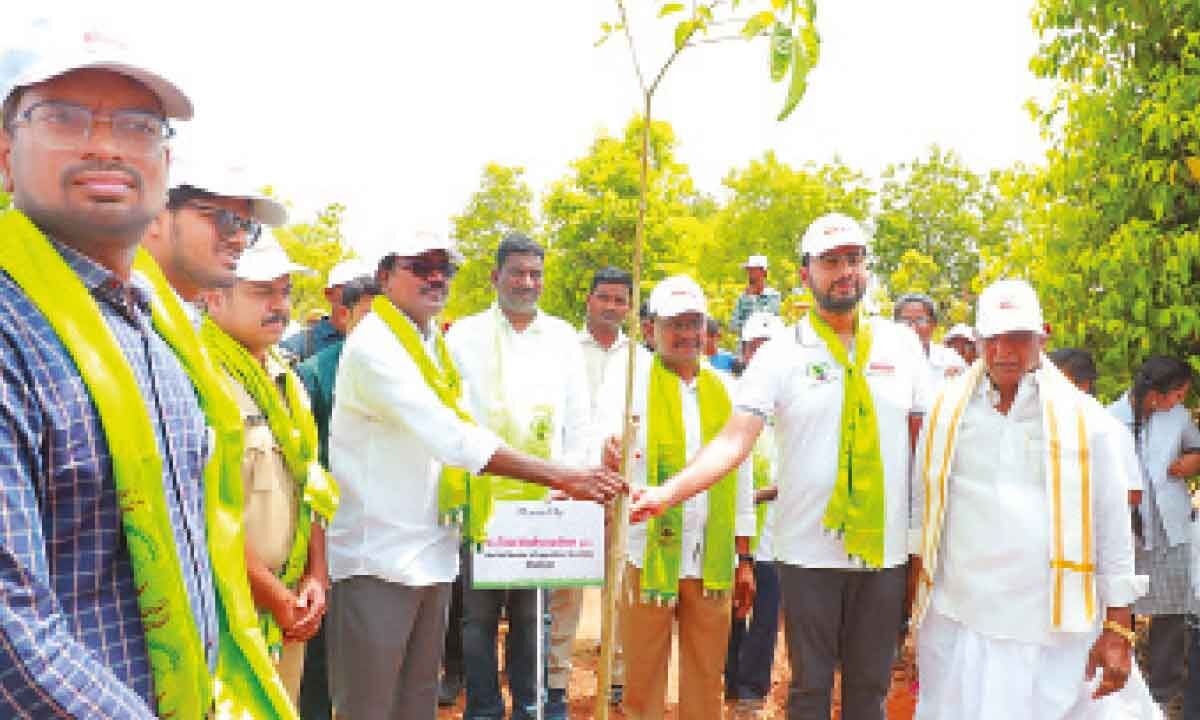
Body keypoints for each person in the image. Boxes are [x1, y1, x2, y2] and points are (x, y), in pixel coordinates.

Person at [0, 32, 228, 718]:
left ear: (163, 164)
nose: (106, 145)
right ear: (6, 156)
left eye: (137, 126)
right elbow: (12, 635)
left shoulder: (158, 329)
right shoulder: (11, 324)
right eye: (64, 116)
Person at [630, 213, 931, 720]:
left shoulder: (901, 346)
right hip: (807, 551)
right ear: (804, 273)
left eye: (854, 260)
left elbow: (925, 444)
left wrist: (921, 538)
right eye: (830, 261)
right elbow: (734, 440)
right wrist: (671, 491)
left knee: (870, 687)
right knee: (810, 688)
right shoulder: (782, 354)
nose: (844, 272)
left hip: (883, 551)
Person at [326, 231, 622, 720]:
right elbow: (454, 437)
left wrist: (576, 474)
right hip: (377, 558)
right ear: (385, 276)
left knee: (416, 700)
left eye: (445, 266)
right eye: (421, 265)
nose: (436, 276)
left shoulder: (430, 343)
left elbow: (474, 424)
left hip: (434, 548)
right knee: (370, 706)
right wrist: (564, 478)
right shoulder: (376, 346)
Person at [909, 279, 1158, 718]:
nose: (1005, 351)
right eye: (994, 339)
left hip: (1054, 629)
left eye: (1019, 338)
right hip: (962, 620)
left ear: (1043, 335)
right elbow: (922, 513)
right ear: (979, 339)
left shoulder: (1088, 422)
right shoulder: (945, 412)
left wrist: (1118, 627)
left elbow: (1112, 526)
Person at [141, 158, 302, 717]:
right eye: (219, 218)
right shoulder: (140, 338)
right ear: (157, 214)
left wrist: (307, 581)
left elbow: (313, 487)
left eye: (245, 226)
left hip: (250, 611)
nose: (235, 237)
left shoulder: (282, 379)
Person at [446, 233, 592, 720]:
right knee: (478, 617)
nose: (527, 282)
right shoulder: (462, 336)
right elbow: (453, 416)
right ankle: (484, 708)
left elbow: (578, 417)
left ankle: (529, 707)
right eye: (518, 272)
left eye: (535, 274)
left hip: (543, 502)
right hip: (483, 498)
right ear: (496, 277)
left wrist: (568, 483)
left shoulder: (563, 338)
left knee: (534, 614)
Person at [599, 275, 755, 720]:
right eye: (675, 324)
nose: (687, 334)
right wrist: (605, 449)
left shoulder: (727, 388)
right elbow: (603, 435)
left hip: (712, 557)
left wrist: (745, 558)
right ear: (651, 330)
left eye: (694, 323)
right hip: (645, 555)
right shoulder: (628, 380)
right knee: (642, 680)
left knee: (707, 678)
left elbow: (739, 473)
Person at [202, 239, 339, 706]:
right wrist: (275, 594)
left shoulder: (287, 383)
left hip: (289, 607)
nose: (280, 304)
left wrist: (316, 576)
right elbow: (204, 513)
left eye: (285, 290)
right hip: (231, 611)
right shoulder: (200, 379)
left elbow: (311, 486)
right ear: (214, 295)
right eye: (263, 291)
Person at [294, 273, 377, 719]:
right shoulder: (313, 375)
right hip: (327, 530)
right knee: (321, 647)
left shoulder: (405, 375)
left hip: (379, 537)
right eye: (368, 317)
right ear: (342, 317)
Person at [1108, 356, 1200, 712]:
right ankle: (1124, 686)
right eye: (1177, 394)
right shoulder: (1109, 419)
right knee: (1121, 603)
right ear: (1155, 396)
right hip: (1128, 527)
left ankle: (1163, 689)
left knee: (1172, 608)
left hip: (1171, 525)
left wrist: (1191, 461)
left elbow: (1196, 447)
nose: (1180, 401)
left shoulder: (1177, 417)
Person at [575, 265, 634, 706]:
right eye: (605, 297)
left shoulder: (642, 359)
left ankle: (616, 672)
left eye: (620, 300)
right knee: (564, 585)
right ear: (589, 299)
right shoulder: (562, 349)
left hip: (620, 483)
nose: (612, 307)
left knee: (618, 581)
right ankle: (555, 675)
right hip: (570, 482)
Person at [725, 312, 786, 719]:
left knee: (765, 612)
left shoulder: (794, 402)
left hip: (778, 530)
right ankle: (730, 677)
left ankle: (751, 688)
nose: (761, 354)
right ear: (744, 352)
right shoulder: (730, 397)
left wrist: (766, 494)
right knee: (731, 608)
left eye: (769, 347)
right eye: (754, 347)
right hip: (731, 526)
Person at [281, 257, 371, 362]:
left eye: (370, 291)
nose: (363, 297)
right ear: (328, 294)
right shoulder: (297, 346)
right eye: (353, 289)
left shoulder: (380, 343)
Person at [894, 292, 966, 390]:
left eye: (921, 320)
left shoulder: (950, 360)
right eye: (905, 321)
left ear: (934, 324)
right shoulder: (883, 360)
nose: (913, 328)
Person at [730, 254, 781, 337]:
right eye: (749, 270)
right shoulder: (742, 297)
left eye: (753, 270)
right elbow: (733, 325)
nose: (749, 274)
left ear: (763, 272)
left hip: (766, 346)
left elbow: (768, 323)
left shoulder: (773, 296)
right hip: (745, 345)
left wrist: (753, 300)